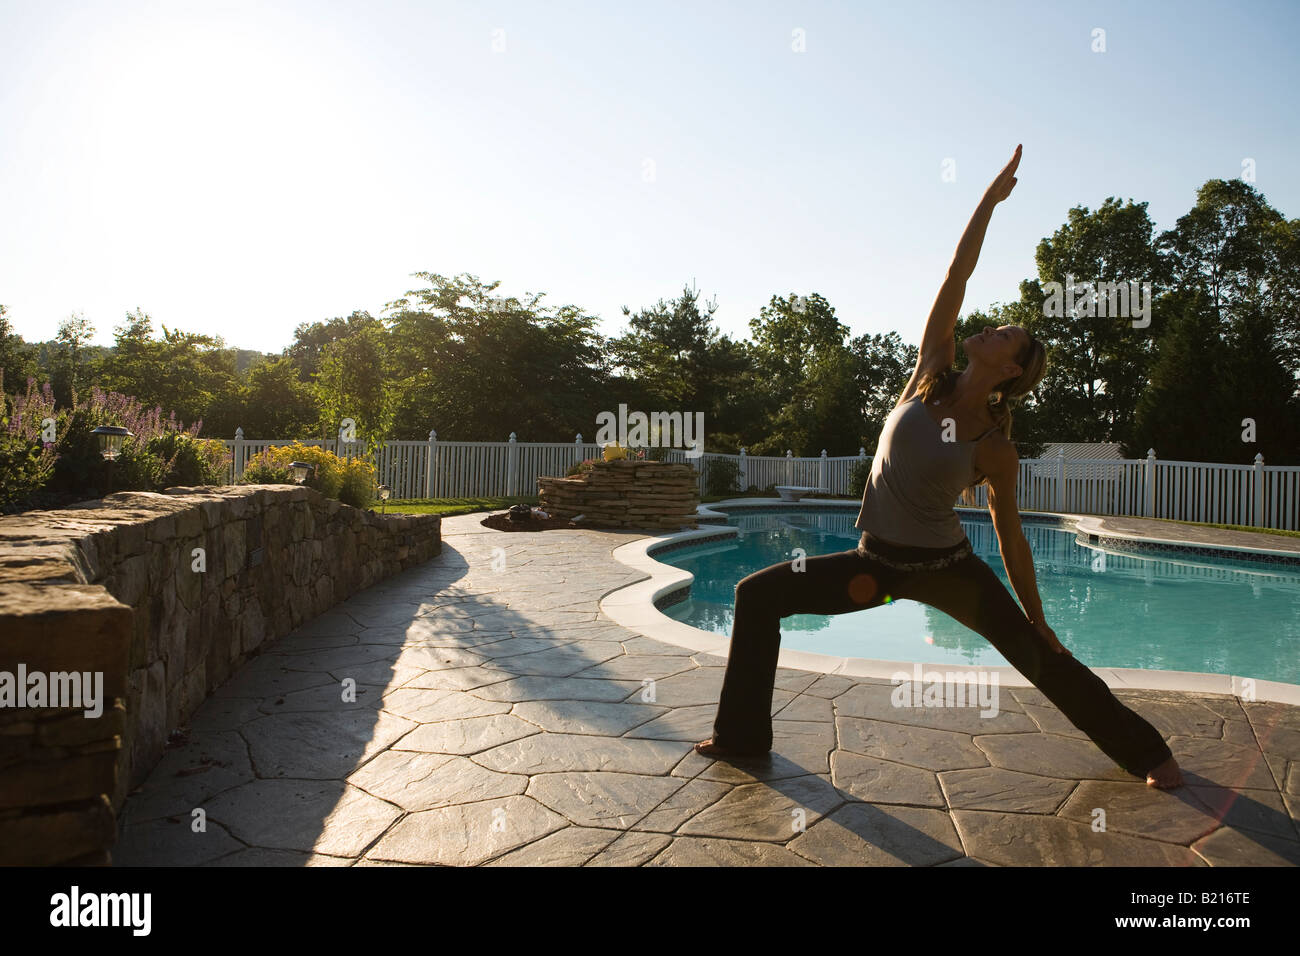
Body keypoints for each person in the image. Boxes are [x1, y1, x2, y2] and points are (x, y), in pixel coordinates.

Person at [695, 145, 1183, 789]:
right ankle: (742, 737)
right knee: (755, 596)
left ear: (1011, 370)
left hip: (949, 571)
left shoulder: (994, 448)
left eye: (1006, 334)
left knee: (1043, 657)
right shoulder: (926, 378)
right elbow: (957, 275)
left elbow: (1010, 538)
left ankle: (1152, 756)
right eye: (996, 325)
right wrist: (989, 201)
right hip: (874, 564)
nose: (992, 329)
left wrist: (1037, 617)